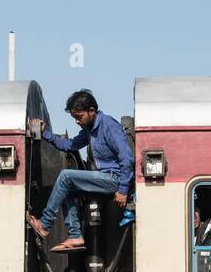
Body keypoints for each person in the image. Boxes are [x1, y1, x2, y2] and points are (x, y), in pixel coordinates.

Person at [27, 90, 134, 252]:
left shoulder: (108, 125)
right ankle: (75, 235)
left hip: (115, 179)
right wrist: (45, 133)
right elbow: (69, 145)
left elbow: (127, 158)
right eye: (74, 118)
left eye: (79, 116)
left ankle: (45, 223)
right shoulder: (89, 131)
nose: (77, 121)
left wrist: (123, 188)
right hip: (106, 179)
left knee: (65, 176)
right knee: (66, 190)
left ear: (91, 111)